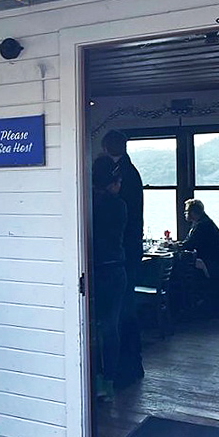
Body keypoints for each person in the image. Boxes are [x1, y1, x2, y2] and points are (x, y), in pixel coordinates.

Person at [101, 129, 144, 386]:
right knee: (125, 308)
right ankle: (130, 363)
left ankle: (125, 365)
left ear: (107, 147)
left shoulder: (121, 176)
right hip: (129, 248)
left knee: (121, 311)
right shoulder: (131, 171)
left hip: (121, 251)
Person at [91, 155, 128, 403]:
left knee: (93, 328)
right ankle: (109, 381)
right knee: (111, 327)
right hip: (116, 270)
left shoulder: (89, 203)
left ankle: (94, 380)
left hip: (96, 270)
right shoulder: (119, 205)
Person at [181, 198, 219, 311]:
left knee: (184, 268)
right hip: (216, 260)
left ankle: (186, 302)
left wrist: (173, 246)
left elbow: (189, 244)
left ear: (193, 213)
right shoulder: (203, 222)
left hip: (211, 262)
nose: (185, 214)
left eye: (186, 211)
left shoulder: (202, 226)